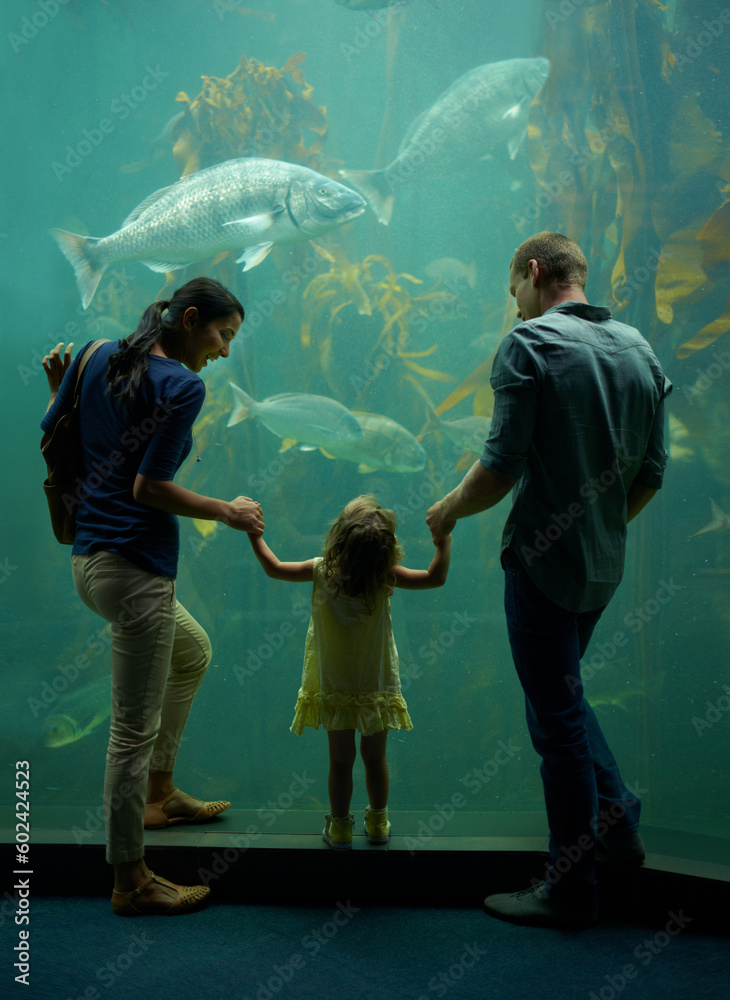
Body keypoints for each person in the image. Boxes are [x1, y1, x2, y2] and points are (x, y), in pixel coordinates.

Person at [426, 232, 671, 928]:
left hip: (541, 564)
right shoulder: (640, 351)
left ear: (533, 274)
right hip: (603, 567)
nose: (515, 305)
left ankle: (569, 889)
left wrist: (444, 510)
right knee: (566, 699)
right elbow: (652, 472)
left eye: (514, 291)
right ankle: (620, 824)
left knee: (555, 723)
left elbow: (500, 468)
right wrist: (600, 521)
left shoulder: (529, 344)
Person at [41, 277, 264, 916]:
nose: (223, 351)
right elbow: (149, 489)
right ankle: (130, 881)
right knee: (130, 733)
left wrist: (62, 389)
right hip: (135, 569)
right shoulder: (183, 386)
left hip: (89, 562)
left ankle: (161, 793)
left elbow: (53, 428)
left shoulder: (92, 355)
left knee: (191, 654)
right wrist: (227, 510)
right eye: (222, 334)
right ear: (191, 320)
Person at [248, 495, 451, 849]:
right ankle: (378, 822)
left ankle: (340, 827)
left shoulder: (320, 571)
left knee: (340, 760)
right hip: (376, 684)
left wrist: (253, 533)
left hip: (335, 684)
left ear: (338, 537)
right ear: (385, 549)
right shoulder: (384, 576)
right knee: (376, 758)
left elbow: (274, 566)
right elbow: (435, 577)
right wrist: (443, 540)